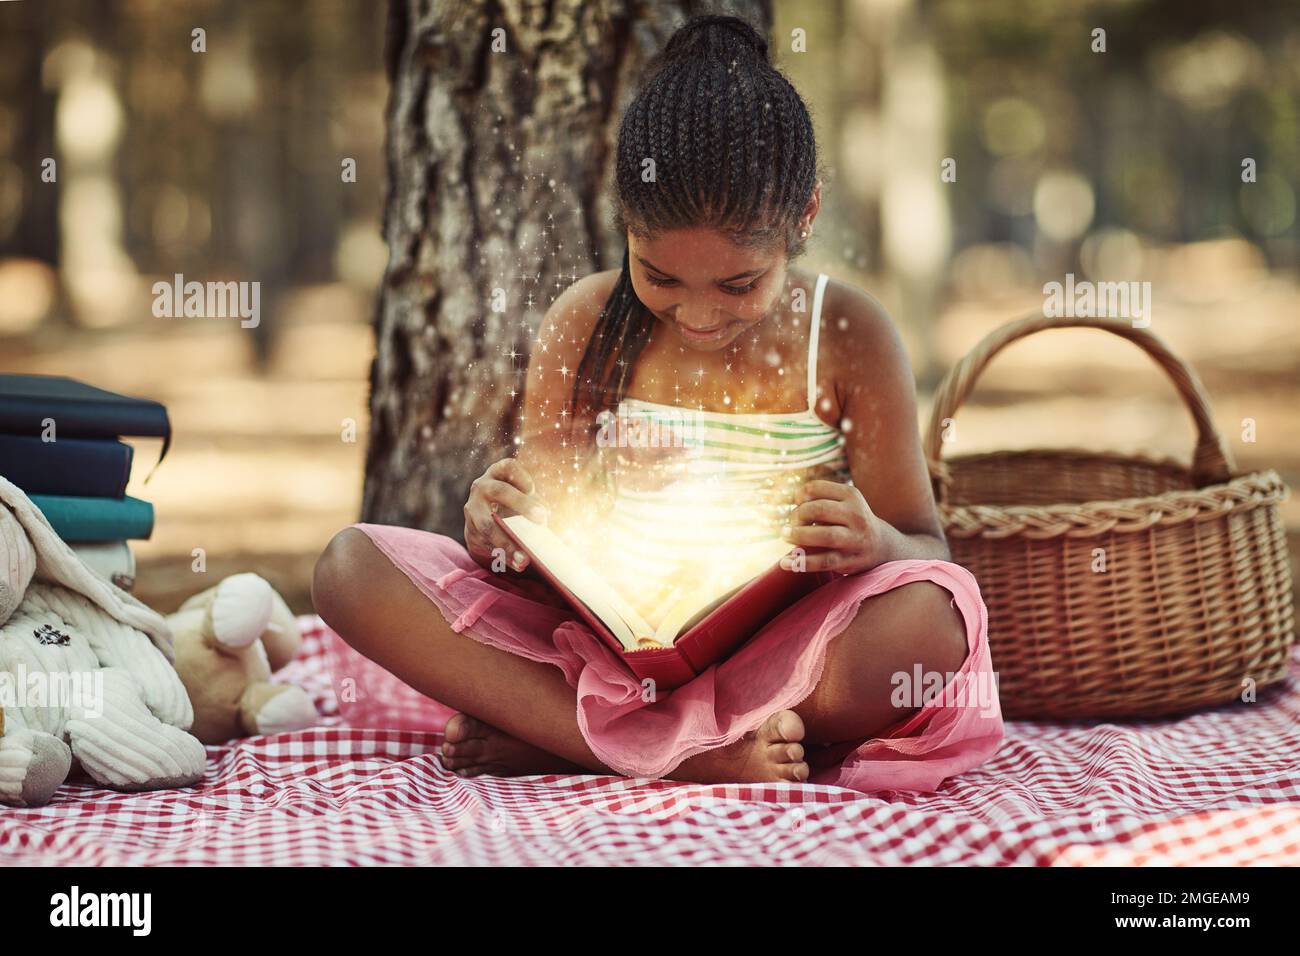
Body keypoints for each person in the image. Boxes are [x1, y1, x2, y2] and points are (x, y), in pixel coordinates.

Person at [314, 14, 1003, 791]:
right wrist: (499, 535)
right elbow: (548, 545)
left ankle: (575, 743)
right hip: (602, 652)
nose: (700, 314)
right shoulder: (584, 320)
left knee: (936, 619)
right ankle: (689, 753)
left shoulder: (847, 334)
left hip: (780, 658)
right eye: (661, 278)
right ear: (626, 225)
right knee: (351, 570)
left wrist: (875, 541)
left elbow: (928, 547)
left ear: (804, 218)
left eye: (739, 284)